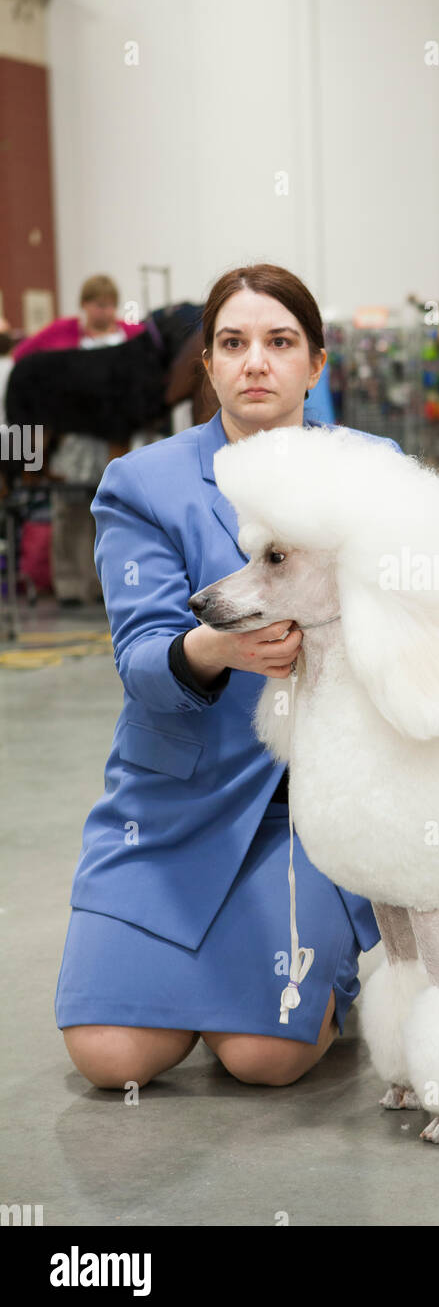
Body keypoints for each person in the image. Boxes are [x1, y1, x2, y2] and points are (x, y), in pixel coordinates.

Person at [55, 263, 389, 1091]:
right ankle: (226, 974)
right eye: (233, 344)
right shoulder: (143, 483)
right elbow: (141, 660)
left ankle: (324, 961)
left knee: (266, 1062)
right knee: (111, 1059)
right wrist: (216, 648)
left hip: (312, 808)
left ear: (317, 362)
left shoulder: (377, 472)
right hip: (168, 807)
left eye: (280, 342)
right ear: (207, 365)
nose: (256, 362)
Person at [11, 275, 145, 607]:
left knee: (111, 513)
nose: (107, 311)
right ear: (85, 305)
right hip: (73, 439)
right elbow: (23, 356)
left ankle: (104, 586)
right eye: (100, 304)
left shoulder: (131, 336)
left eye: (111, 304)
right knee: (69, 510)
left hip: (116, 440)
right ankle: (69, 585)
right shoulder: (62, 332)